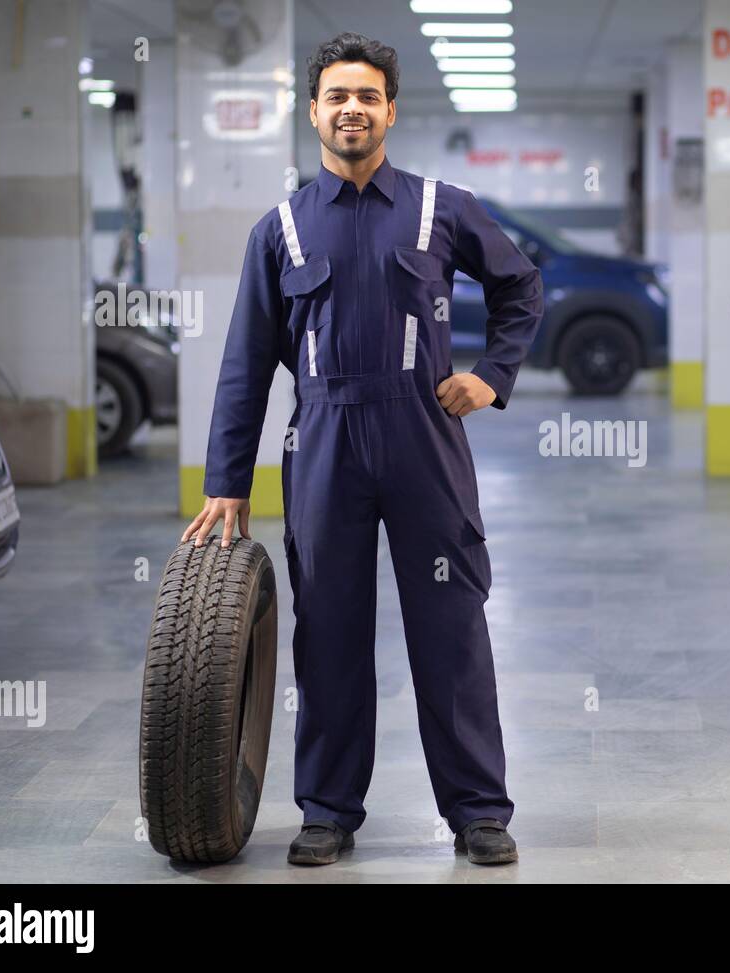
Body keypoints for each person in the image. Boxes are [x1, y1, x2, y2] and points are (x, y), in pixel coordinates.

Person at [180, 32, 542, 867]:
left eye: (368, 96)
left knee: (450, 627)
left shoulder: (440, 207)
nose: (352, 109)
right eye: (337, 96)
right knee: (330, 630)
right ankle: (329, 810)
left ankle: (479, 811)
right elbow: (243, 364)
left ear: (389, 110)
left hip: (425, 438)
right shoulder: (280, 230)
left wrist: (490, 375)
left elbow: (520, 284)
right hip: (325, 442)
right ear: (313, 111)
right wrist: (227, 479)